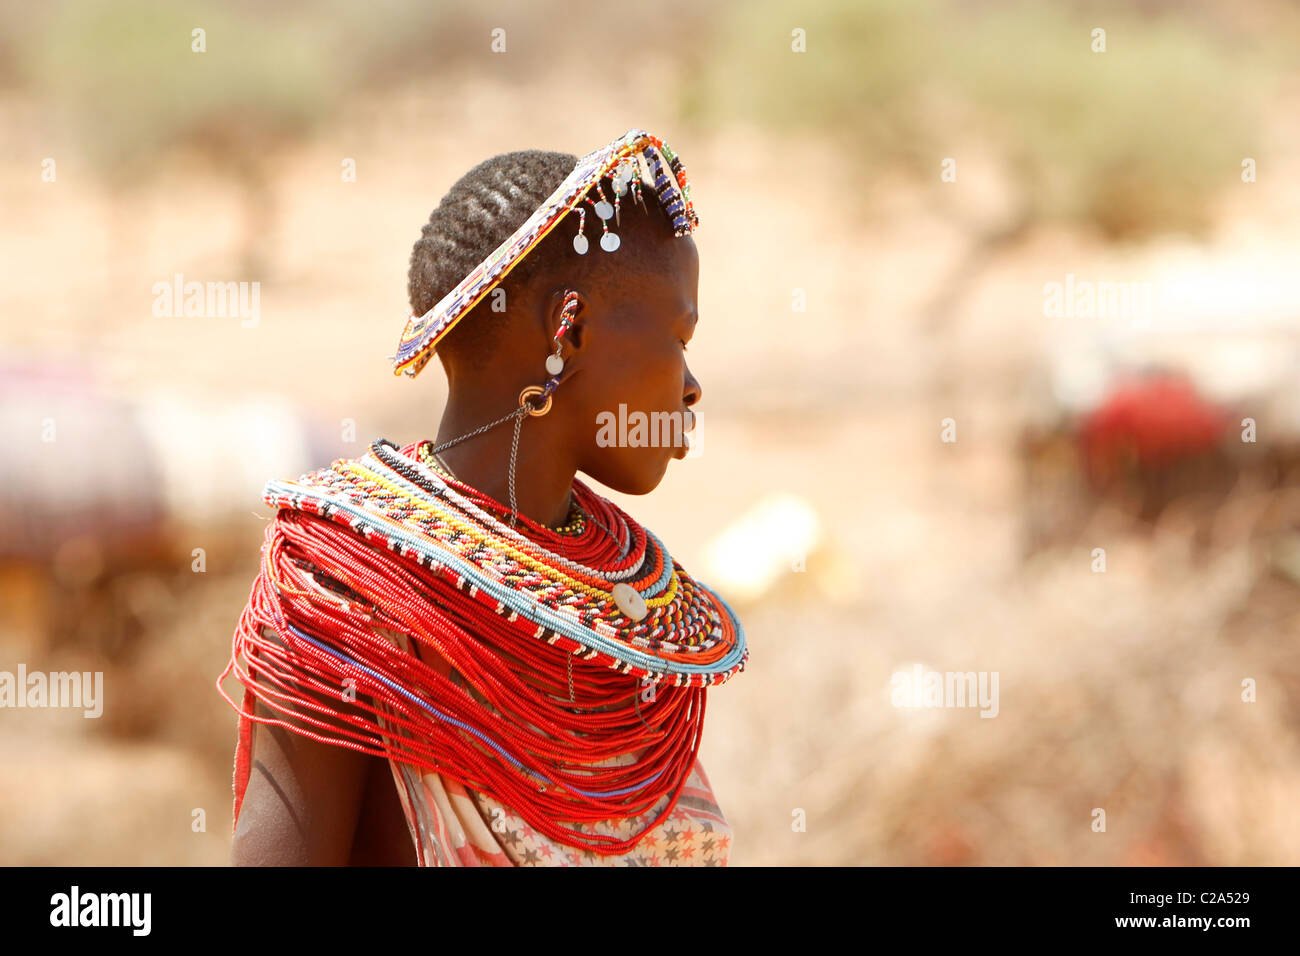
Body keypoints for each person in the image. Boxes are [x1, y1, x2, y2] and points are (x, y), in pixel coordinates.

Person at [218, 129, 747, 866]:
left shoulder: (625, 621)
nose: (690, 386)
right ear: (572, 329)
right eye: (678, 336)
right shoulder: (353, 588)